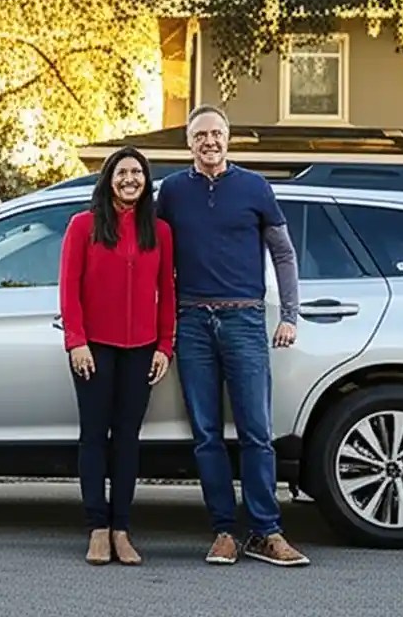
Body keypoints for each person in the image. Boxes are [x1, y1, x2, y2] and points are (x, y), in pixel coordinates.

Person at [155, 104, 310, 567]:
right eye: (200, 135)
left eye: (217, 133)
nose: (210, 142)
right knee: (205, 435)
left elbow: (283, 254)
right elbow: (158, 258)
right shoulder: (173, 193)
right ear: (189, 143)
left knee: (256, 433)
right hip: (193, 323)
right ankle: (223, 530)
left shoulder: (254, 187)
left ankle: (266, 531)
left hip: (244, 320)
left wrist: (290, 314)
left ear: (229, 139)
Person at [59, 145, 176, 566]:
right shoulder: (83, 226)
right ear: (109, 177)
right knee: (94, 436)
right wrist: (76, 341)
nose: (130, 179)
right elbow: (68, 288)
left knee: (127, 439)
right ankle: (97, 529)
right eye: (122, 172)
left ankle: (122, 529)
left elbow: (168, 293)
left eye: (138, 173)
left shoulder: (158, 231)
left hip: (141, 350)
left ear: (146, 183)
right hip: (94, 348)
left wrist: (165, 345)